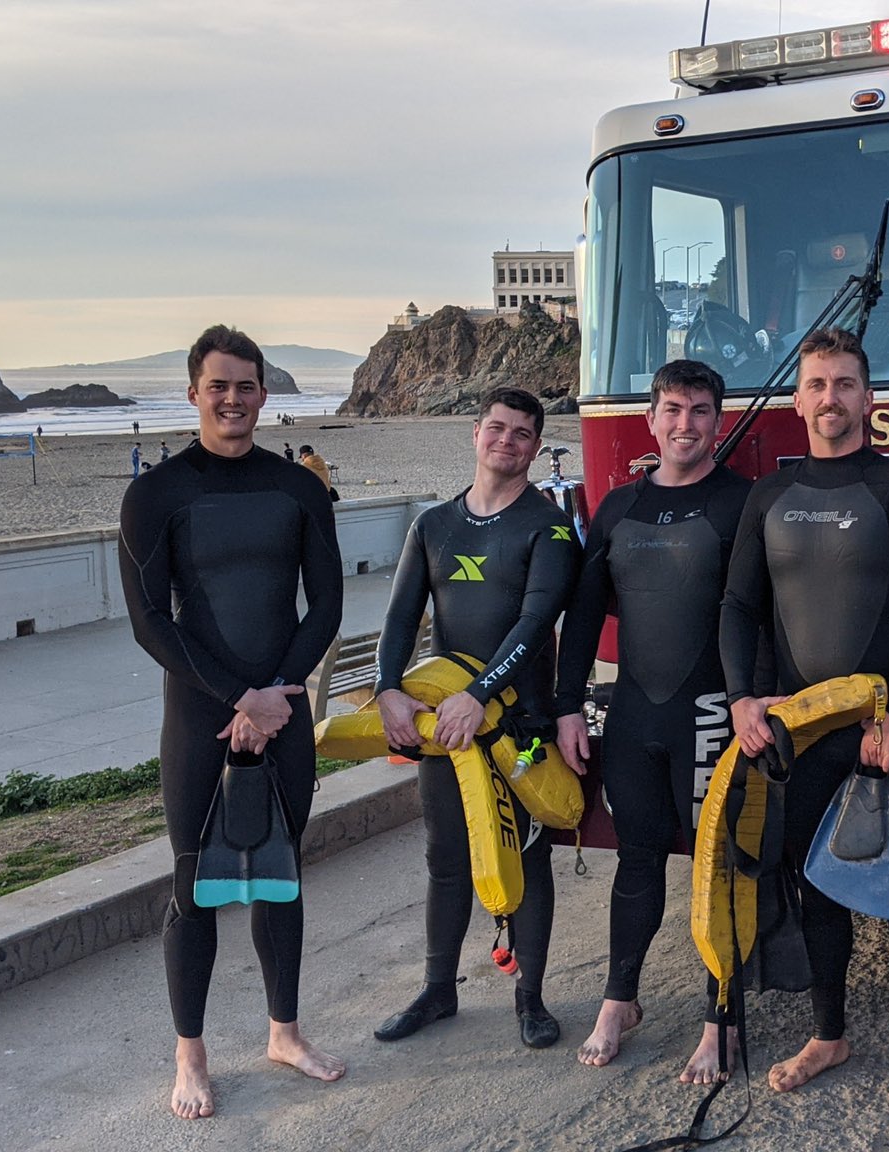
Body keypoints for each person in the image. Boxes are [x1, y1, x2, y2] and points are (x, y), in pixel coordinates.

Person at [720, 327, 889, 1152]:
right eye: (817, 384)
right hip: (800, 733)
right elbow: (738, 608)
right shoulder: (770, 496)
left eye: (846, 385)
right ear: (799, 399)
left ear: (870, 399)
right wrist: (743, 698)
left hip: (881, 734)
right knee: (817, 891)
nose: (831, 399)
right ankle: (830, 1032)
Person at [117, 324, 347, 1119]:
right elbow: (151, 622)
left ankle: (284, 1031)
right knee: (196, 888)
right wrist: (241, 700)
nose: (233, 399)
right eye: (218, 386)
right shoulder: (157, 495)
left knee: (281, 878)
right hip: (199, 717)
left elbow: (328, 605)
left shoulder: (299, 488)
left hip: (282, 711)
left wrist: (277, 695)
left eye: (246, 385)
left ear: (264, 392)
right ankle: (191, 1056)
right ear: (193, 393)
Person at [554, 360, 752, 1078]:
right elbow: (581, 618)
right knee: (635, 859)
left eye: (700, 411)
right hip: (634, 714)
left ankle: (720, 1016)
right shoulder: (618, 508)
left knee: (718, 868)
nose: (685, 424)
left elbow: (759, 614)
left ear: (718, 423)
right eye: (672, 409)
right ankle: (619, 1000)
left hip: (710, 715)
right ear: (651, 419)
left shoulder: (742, 504)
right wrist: (568, 705)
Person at [372, 386, 580, 1049]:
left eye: (522, 433)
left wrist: (484, 692)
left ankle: (531, 998)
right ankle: (438, 991)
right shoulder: (433, 525)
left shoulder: (547, 526)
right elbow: (403, 619)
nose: (507, 441)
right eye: (497, 428)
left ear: (534, 446)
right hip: (449, 730)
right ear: (474, 433)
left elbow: (535, 619)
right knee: (446, 858)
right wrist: (386, 688)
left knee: (528, 854)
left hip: (519, 727)